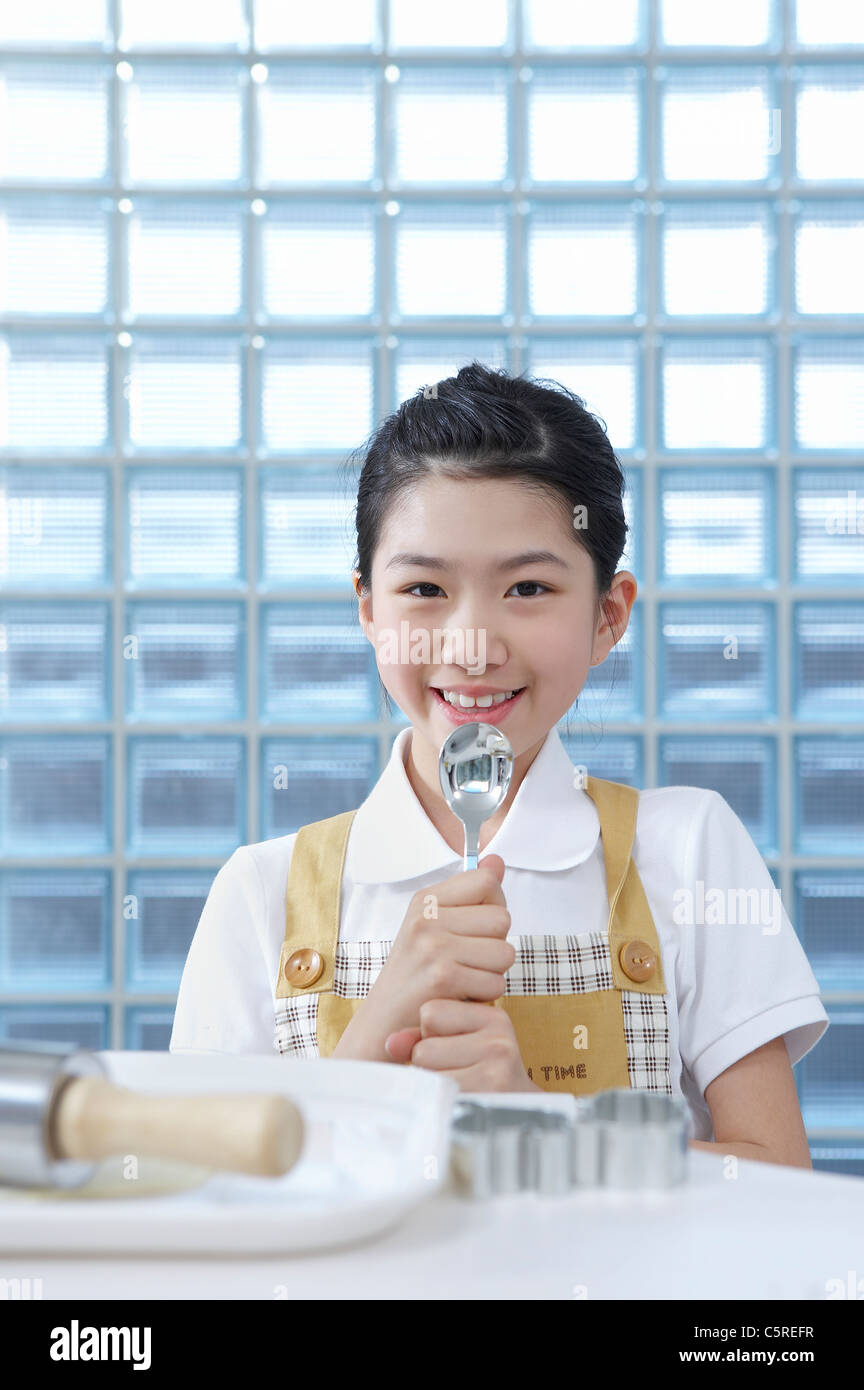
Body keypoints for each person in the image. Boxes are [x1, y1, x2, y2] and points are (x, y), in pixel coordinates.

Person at [169, 361, 828, 1168]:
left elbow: (781, 1183)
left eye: (525, 587)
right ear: (371, 612)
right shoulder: (261, 895)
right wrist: (374, 1038)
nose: (472, 644)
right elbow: (207, 1206)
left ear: (606, 615)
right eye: (423, 590)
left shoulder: (688, 849)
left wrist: (539, 1118)